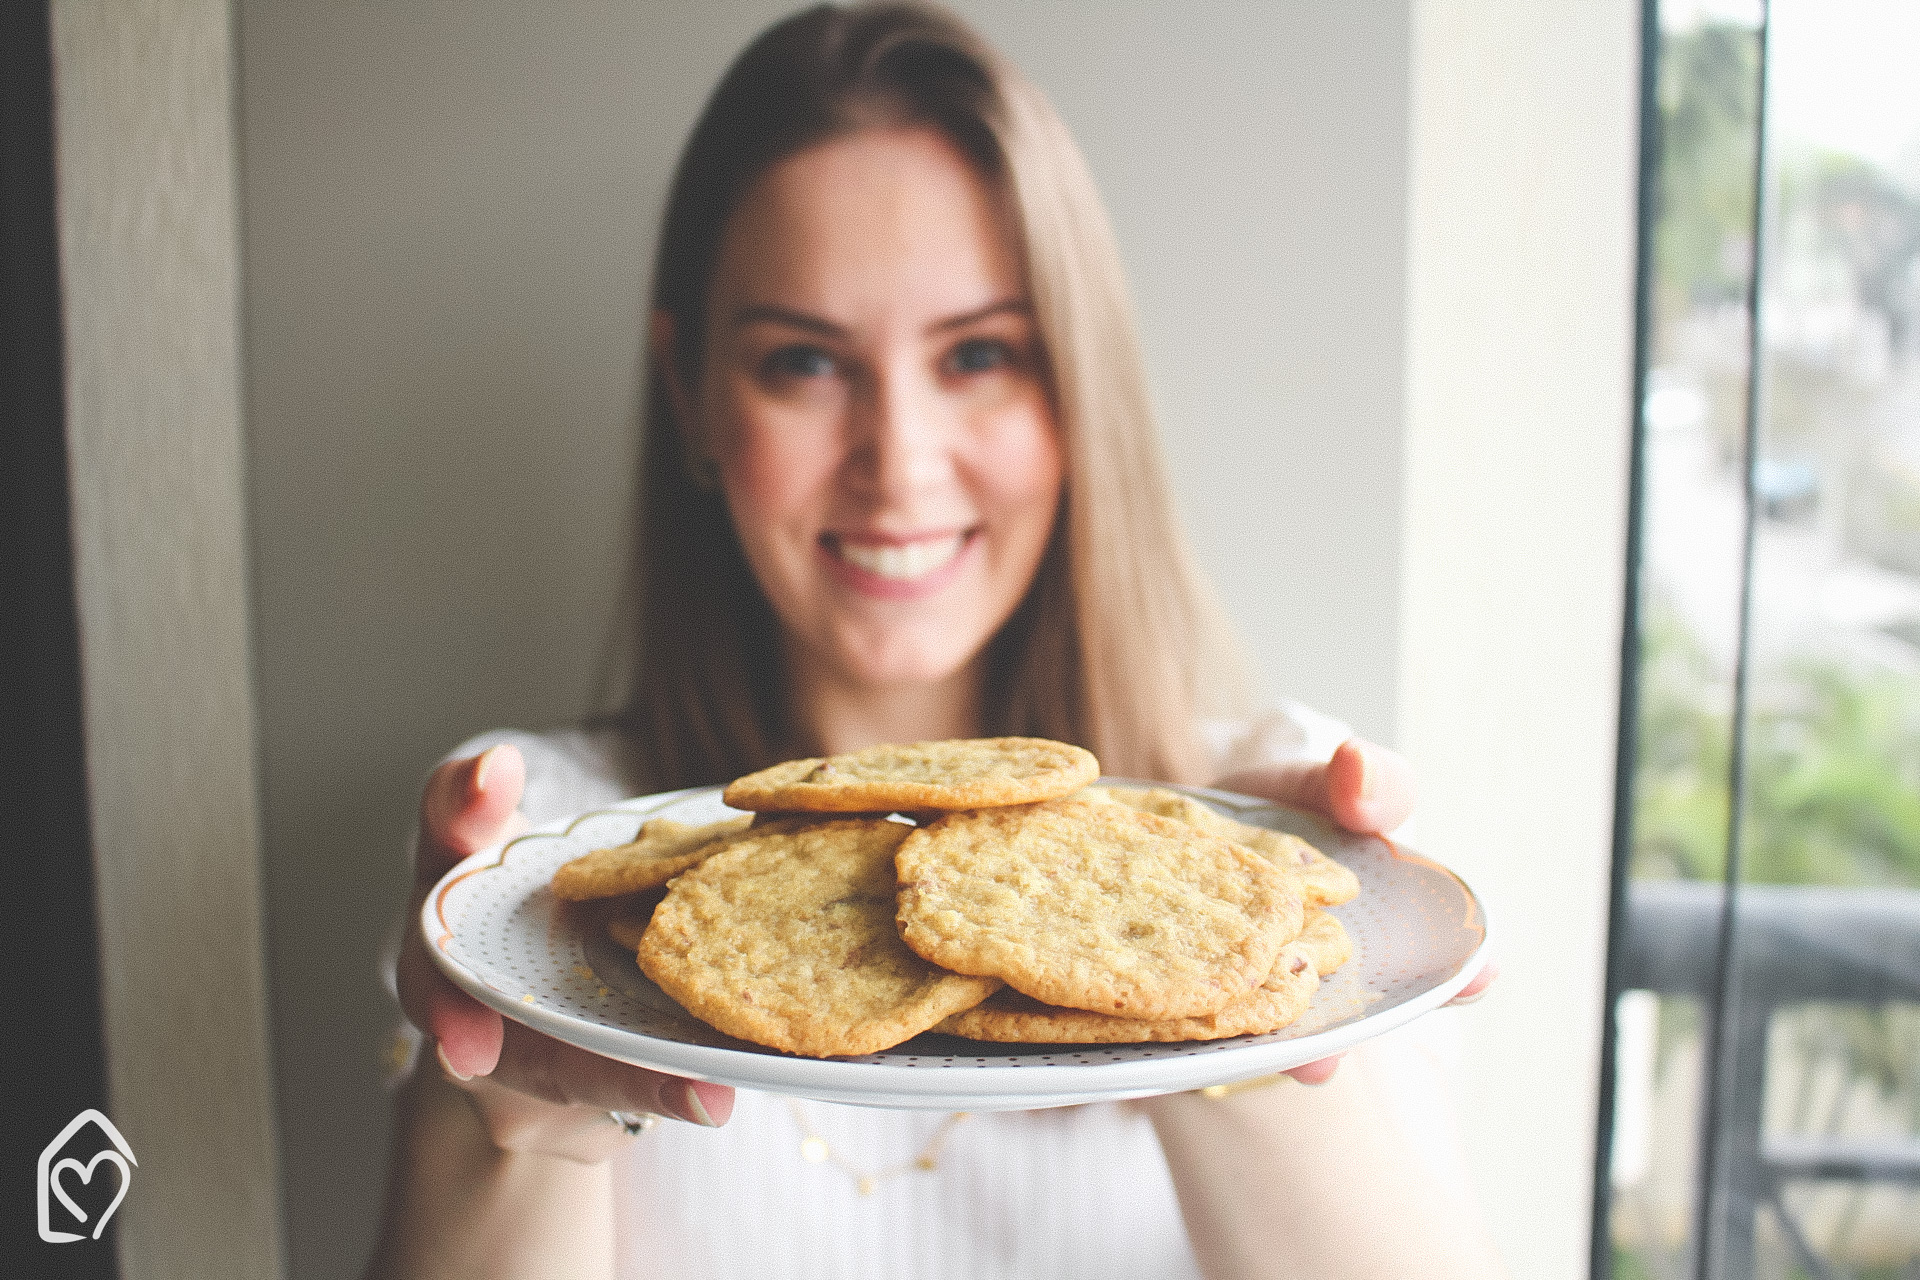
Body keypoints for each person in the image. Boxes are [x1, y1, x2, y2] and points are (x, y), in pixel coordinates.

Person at [370, 4, 1502, 1277]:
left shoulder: (1273, 839)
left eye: (978, 354)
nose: (898, 464)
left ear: (1079, 386)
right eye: (804, 360)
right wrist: (512, 1119)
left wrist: (1236, 994)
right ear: (691, 389)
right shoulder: (544, 870)